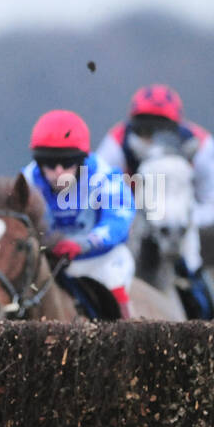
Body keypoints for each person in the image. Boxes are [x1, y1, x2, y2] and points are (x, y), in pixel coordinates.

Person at [94, 85, 214, 318]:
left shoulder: (202, 145)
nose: (151, 136)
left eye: (160, 128)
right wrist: (126, 219)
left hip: (180, 228)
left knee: (194, 274)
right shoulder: (116, 143)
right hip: (132, 222)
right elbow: (97, 194)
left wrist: (183, 219)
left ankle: (209, 319)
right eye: (144, 128)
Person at [24, 110, 137, 318]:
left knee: (114, 283)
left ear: (81, 160)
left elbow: (119, 219)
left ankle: (125, 331)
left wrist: (84, 243)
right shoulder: (28, 180)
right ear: (39, 163)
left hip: (101, 260)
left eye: (67, 163)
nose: (58, 172)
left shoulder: (104, 175)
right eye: (50, 164)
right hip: (51, 261)